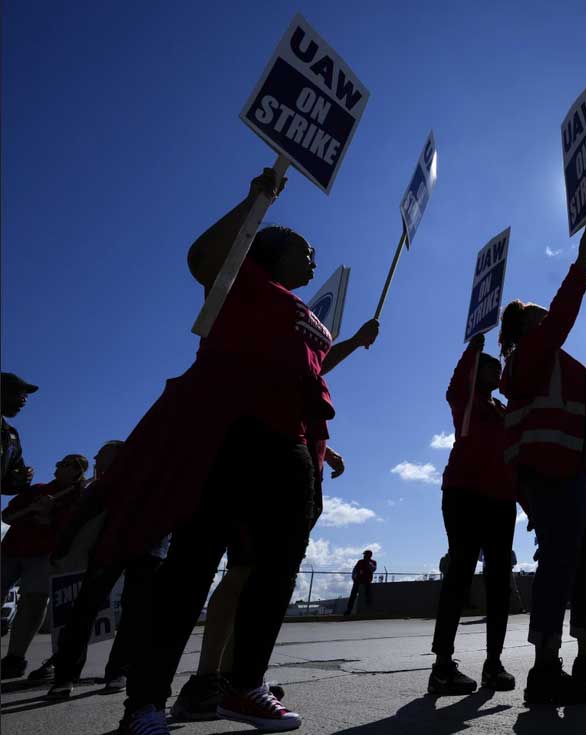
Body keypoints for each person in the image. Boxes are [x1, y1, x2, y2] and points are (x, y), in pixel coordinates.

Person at [94, 168, 381, 735]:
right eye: (303, 246)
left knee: (274, 571)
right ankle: (145, 702)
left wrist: (352, 343)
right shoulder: (242, 282)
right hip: (231, 434)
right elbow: (203, 258)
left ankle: (246, 686)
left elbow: (311, 370)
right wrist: (256, 202)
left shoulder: (306, 315)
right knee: (192, 566)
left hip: (291, 445)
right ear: (267, 251)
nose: (314, 253)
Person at [499, 223, 586, 705]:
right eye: (540, 316)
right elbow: (560, 318)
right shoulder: (527, 356)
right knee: (560, 567)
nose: (549, 321)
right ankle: (544, 667)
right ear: (525, 328)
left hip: (582, 477)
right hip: (552, 476)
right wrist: (579, 267)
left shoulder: (556, 361)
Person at [172, 445, 345, 720]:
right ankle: (204, 682)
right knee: (246, 568)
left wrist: (327, 452)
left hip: (305, 471)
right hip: (271, 463)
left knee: (264, 576)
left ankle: (231, 678)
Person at [428, 333, 519, 695]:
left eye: (499, 369)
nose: (496, 373)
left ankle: (493, 663)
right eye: (489, 367)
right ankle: (442, 665)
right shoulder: (465, 401)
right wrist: (473, 349)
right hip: (463, 493)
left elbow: (515, 456)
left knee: (499, 581)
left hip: (501, 499)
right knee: (460, 573)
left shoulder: (503, 411)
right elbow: (455, 383)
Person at [42, 442, 168, 696]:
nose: (96, 461)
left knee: (112, 610)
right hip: (115, 551)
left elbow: (78, 519)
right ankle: (70, 675)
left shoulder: (123, 484)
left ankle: (112, 672)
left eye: (100, 456)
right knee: (88, 609)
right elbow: (78, 518)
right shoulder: (101, 486)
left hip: (138, 550)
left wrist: (62, 548)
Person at [0, 454, 88, 679]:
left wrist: (48, 516)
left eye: (65, 465)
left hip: (42, 555)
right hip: (10, 551)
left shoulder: (77, 498)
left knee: (33, 602)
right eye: (59, 463)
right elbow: (8, 515)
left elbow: (68, 528)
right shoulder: (37, 489)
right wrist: (33, 507)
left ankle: (14, 658)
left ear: (77, 471)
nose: (58, 467)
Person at [1, 372, 37, 495]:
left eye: (26, 395)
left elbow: (6, 483)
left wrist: (21, 478)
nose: (24, 399)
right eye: (17, 392)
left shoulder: (11, 435)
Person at [346, 548, 377, 616]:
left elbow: (373, 569)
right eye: (364, 555)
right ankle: (349, 609)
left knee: (368, 594)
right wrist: (353, 577)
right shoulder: (360, 561)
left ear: (369, 555)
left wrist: (368, 563)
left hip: (367, 581)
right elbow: (355, 569)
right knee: (353, 595)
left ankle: (368, 609)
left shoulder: (373, 562)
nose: (364, 556)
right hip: (358, 580)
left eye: (365, 555)